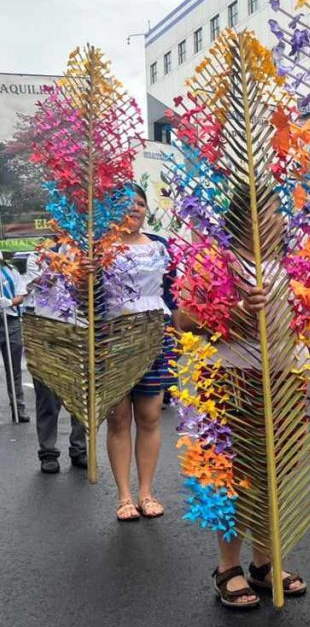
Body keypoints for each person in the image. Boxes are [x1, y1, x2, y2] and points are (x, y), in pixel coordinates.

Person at [173, 193, 307, 609]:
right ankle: (227, 567)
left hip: (283, 379)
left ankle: (264, 563)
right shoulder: (214, 261)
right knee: (234, 475)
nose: (280, 219)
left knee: (275, 472)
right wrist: (237, 310)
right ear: (247, 217)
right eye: (272, 211)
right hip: (230, 379)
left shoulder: (291, 264)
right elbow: (183, 318)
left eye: (279, 213)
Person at [101, 184, 175, 521]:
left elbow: (171, 294)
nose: (134, 209)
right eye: (126, 203)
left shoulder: (161, 246)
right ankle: (124, 496)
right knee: (118, 419)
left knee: (149, 418)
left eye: (140, 203)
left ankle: (146, 492)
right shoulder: (98, 249)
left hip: (154, 338)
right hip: (112, 340)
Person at [23, 251, 87, 473]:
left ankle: (79, 449)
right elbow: (41, 284)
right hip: (47, 334)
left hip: (78, 332)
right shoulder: (39, 256)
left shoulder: (85, 252)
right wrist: (57, 264)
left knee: (80, 396)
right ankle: (48, 452)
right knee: (47, 398)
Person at [0, 254, 29, 424]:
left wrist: (9, 302)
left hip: (10, 322)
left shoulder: (11, 271)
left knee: (14, 369)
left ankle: (18, 408)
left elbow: (21, 295)